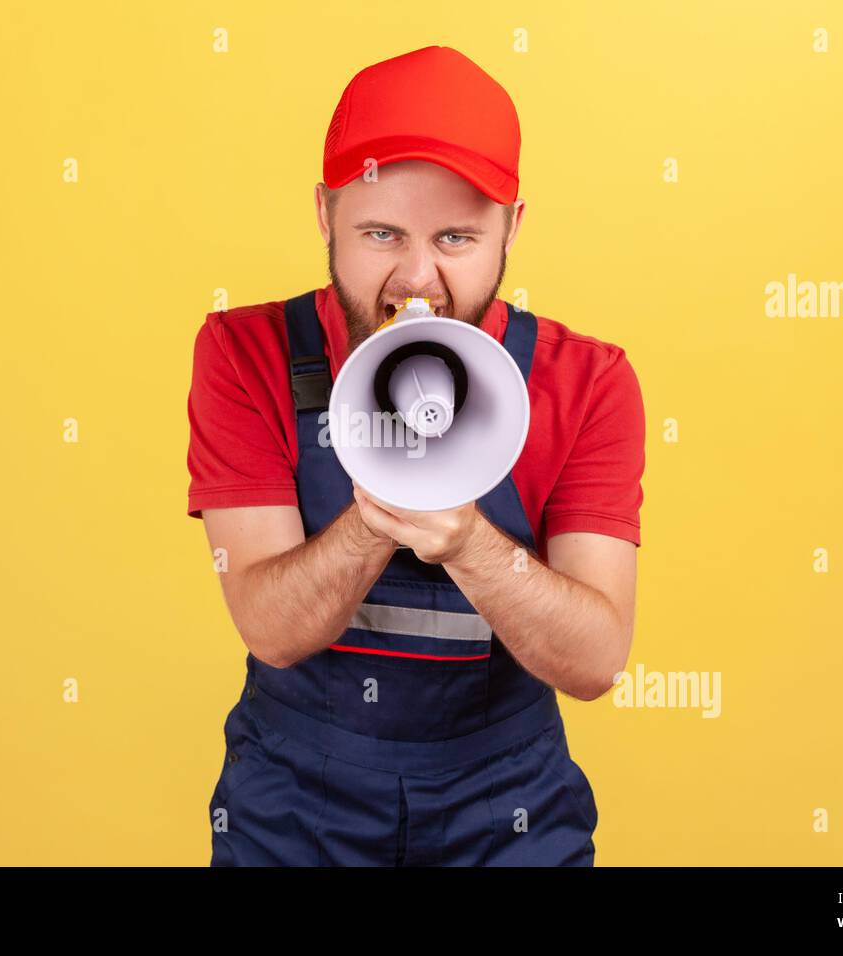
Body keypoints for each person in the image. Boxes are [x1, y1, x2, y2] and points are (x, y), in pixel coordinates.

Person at [186, 45, 645, 866]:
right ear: (325, 216)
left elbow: (597, 663)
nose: (419, 282)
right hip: (296, 814)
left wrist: (468, 541)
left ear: (513, 227)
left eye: (458, 237)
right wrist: (375, 517)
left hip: (508, 811)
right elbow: (271, 630)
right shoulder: (243, 354)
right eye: (381, 232)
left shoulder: (587, 382)